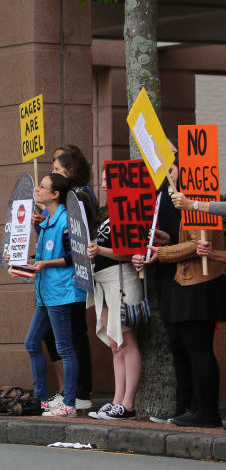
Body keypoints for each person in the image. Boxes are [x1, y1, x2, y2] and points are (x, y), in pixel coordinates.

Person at [134, 194, 226, 428]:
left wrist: (162, 253)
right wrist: (166, 240)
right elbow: (188, 239)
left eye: (173, 166)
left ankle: (206, 412)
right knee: (185, 348)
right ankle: (191, 408)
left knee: (198, 349)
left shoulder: (197, 198)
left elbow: (198, 244)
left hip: (197, 283)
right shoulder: (182, 202)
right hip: (185, 280)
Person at [24, 174, 86, 417]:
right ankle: (41, 399)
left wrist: (45, 264)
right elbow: (42, 253)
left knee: (64, 347)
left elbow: (74, 255)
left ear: (55, 194)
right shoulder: (47, 218)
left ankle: (69, 403)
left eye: (42, 187)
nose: (37, 190)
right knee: (32, 342)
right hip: (46, 292)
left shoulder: (65, 218)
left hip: (61, 292)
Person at [85, 168, 142, 420]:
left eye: (110, 178)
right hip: (104, 282)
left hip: (122, 278)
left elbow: (129, 252)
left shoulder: (128, 208)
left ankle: (128, 403)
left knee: (127, 342)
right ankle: (117, 399)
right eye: (104, 177)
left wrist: (100, 251)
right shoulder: (106, 212)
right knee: (114, 344)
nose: (105, 182)